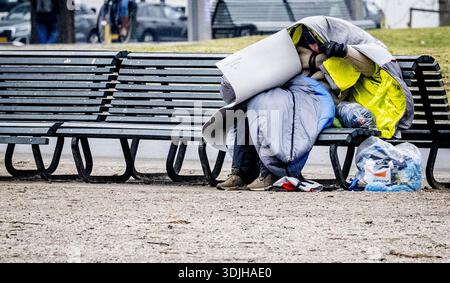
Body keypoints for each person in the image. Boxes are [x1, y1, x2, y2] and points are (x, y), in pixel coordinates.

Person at [215, 16, 413, 191]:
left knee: (276, 109)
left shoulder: (342, 52)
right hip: (289, 93)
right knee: (249, 105)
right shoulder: (290, 49)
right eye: (310, 41)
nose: (315, 46)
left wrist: (345, 52)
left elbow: (371, 66)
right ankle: (241, 172)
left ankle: (272, 171)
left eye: (317, 41)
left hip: (319, 101)